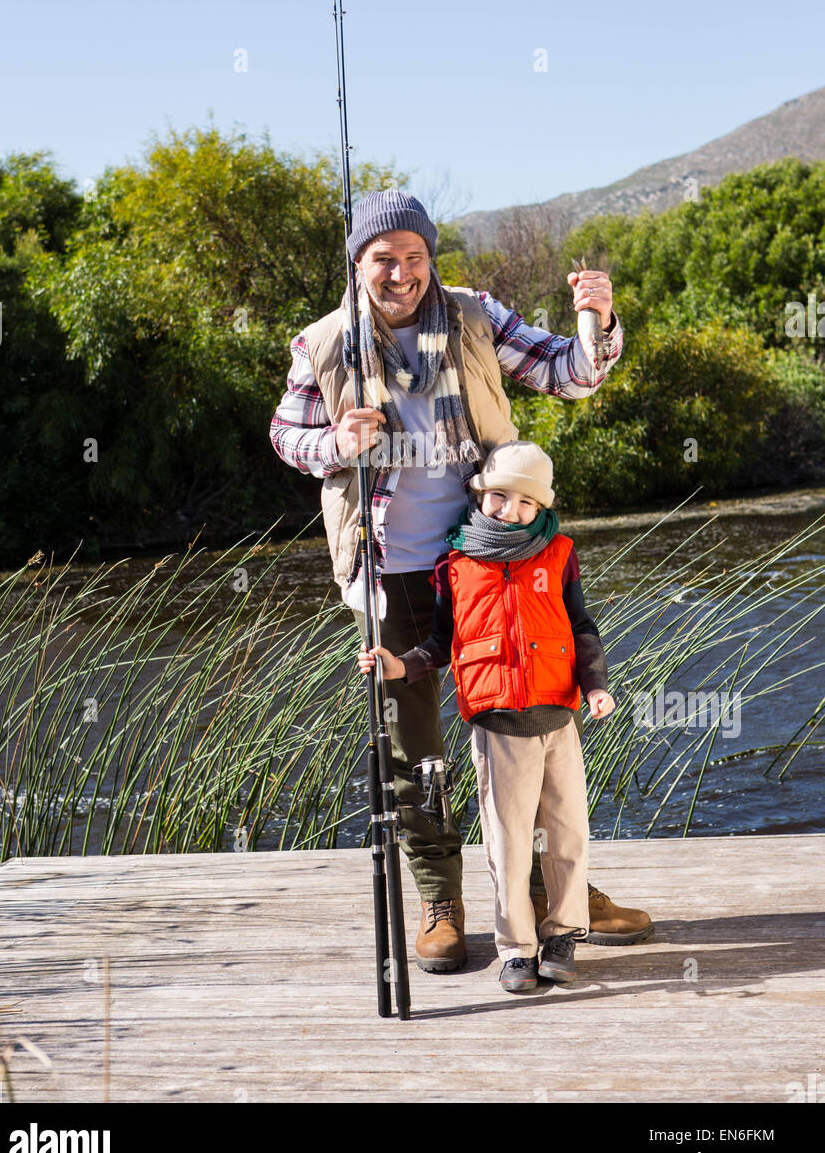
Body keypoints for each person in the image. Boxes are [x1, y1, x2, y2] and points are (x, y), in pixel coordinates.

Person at [269, 188, 653, 971]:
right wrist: (334, 441)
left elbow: (567, 375)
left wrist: (597, 321)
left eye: (414, 257)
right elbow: (284, 434)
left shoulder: (476, 315)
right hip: (390, 575)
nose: (401, 272)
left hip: (493, 567)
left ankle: (556, 898)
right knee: (418, 753)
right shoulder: (323, 344)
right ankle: (442, 899)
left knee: (533, 735)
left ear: (429, 259)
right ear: (359, 263)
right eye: (384, 259)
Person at [358, 440, 616, 992]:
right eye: (498, 496)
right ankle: (517, 949)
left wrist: (595, 686)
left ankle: (563, 933)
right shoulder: (455, 565)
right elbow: (439, 644)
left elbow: (582, 627)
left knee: (568, 833)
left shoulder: (559, 554)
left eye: (524, 502)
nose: (510, 510)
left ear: (541, 507)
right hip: (498, 728)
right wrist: (397, 667)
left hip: (558, 722)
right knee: (508, 841)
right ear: (479, 494)